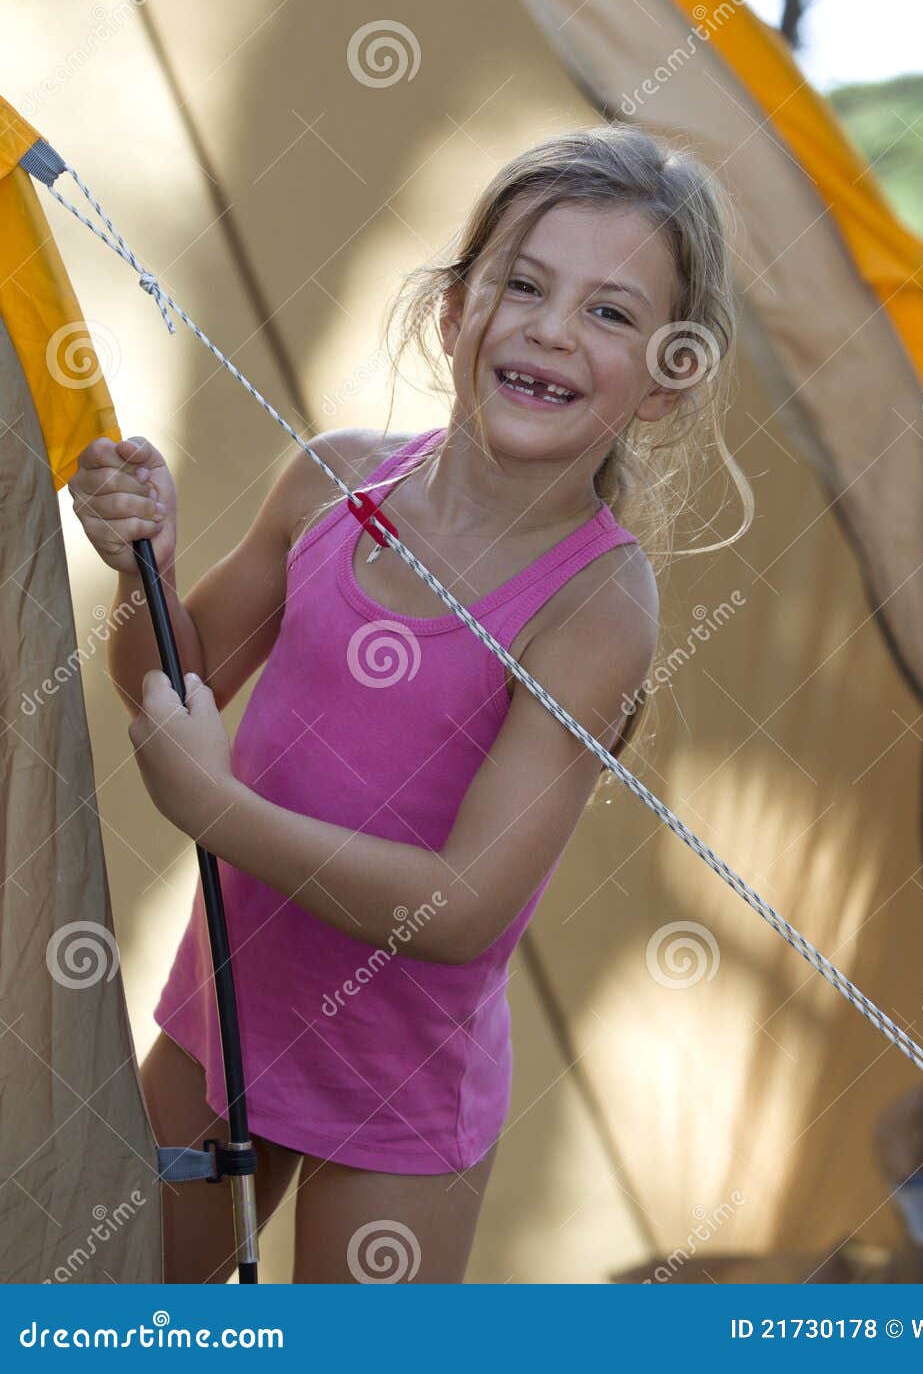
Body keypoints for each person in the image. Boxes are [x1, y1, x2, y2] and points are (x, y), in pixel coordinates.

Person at [68, 124, 754, 1284]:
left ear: (663, 381)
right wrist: (146, 559)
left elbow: (461, 908)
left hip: (397, 1096)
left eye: (609, 312)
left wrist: (215, 807)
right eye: (522, 285)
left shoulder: (597, 603)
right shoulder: (333, 478)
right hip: (221, 1020)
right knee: (132, 1320)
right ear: (452, 312)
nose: (549, 327)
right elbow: (166, 679)